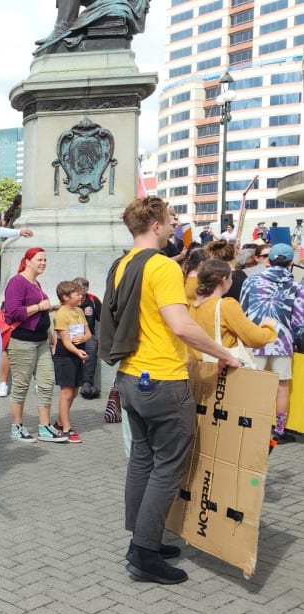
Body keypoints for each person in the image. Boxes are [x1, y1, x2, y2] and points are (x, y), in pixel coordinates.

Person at [101, 196, 239, 586]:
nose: (174, 226)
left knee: (142, 460)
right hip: (162, 378)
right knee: (168, 466)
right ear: (156, 225)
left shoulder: (122, 263)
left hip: (131, 376)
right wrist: (223, 354)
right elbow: (179, 325)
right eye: (171, 220)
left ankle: (142, 538)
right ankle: (144, 553)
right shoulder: (161, 265)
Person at [239, 243, 304, 445]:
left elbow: (242, 310)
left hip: (254, 338)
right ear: (290, 262)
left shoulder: (251, 281)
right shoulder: (296, 286)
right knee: (282, 386)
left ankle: (247, 423)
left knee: (252, 384)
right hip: (282, 341)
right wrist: (296, 339)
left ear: (269, 259)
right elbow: (299, 321)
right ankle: (279, 431)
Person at [3, 248, 64, 443]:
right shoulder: (17, 282)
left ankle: (44, 427)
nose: (43, 263)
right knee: (21, 384)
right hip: (22, 341)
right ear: (28, 261)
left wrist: (52, 308)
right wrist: (39, 307)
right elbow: (13, 312)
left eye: (45, 260)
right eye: (39, 259)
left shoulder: (35, 283)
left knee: (46, 383)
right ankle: (17, 427)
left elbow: (37, 311)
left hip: (40, 341)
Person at [188, 259, 277, 365]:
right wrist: (268, 327)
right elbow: (255, 338)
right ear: (224, 279)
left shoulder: (194, 306)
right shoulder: (226, 305)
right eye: (231, 277)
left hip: (199, 367)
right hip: (224, 366)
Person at [52, 280, 91, 443]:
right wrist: (77, 351)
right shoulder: (61, 314)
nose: (81, 296)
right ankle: (66, 429)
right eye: (77, 294)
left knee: (74, 392)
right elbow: (66, 341)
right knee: (66, 393)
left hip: (77, 354)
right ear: (65, 297)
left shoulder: (79, 311)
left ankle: (60, 422)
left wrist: (84, 338)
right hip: (65, 356)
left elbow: (88, 333)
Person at [74, 277, 102, 399]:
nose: (75, 291)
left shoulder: (93, 300)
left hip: (88, 336)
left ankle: (87, 383)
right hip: (70, 336)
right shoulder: (69, 299)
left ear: (85, 290)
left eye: (78, 288)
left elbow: (103, 318)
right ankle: (72, 382)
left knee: (92, 346)